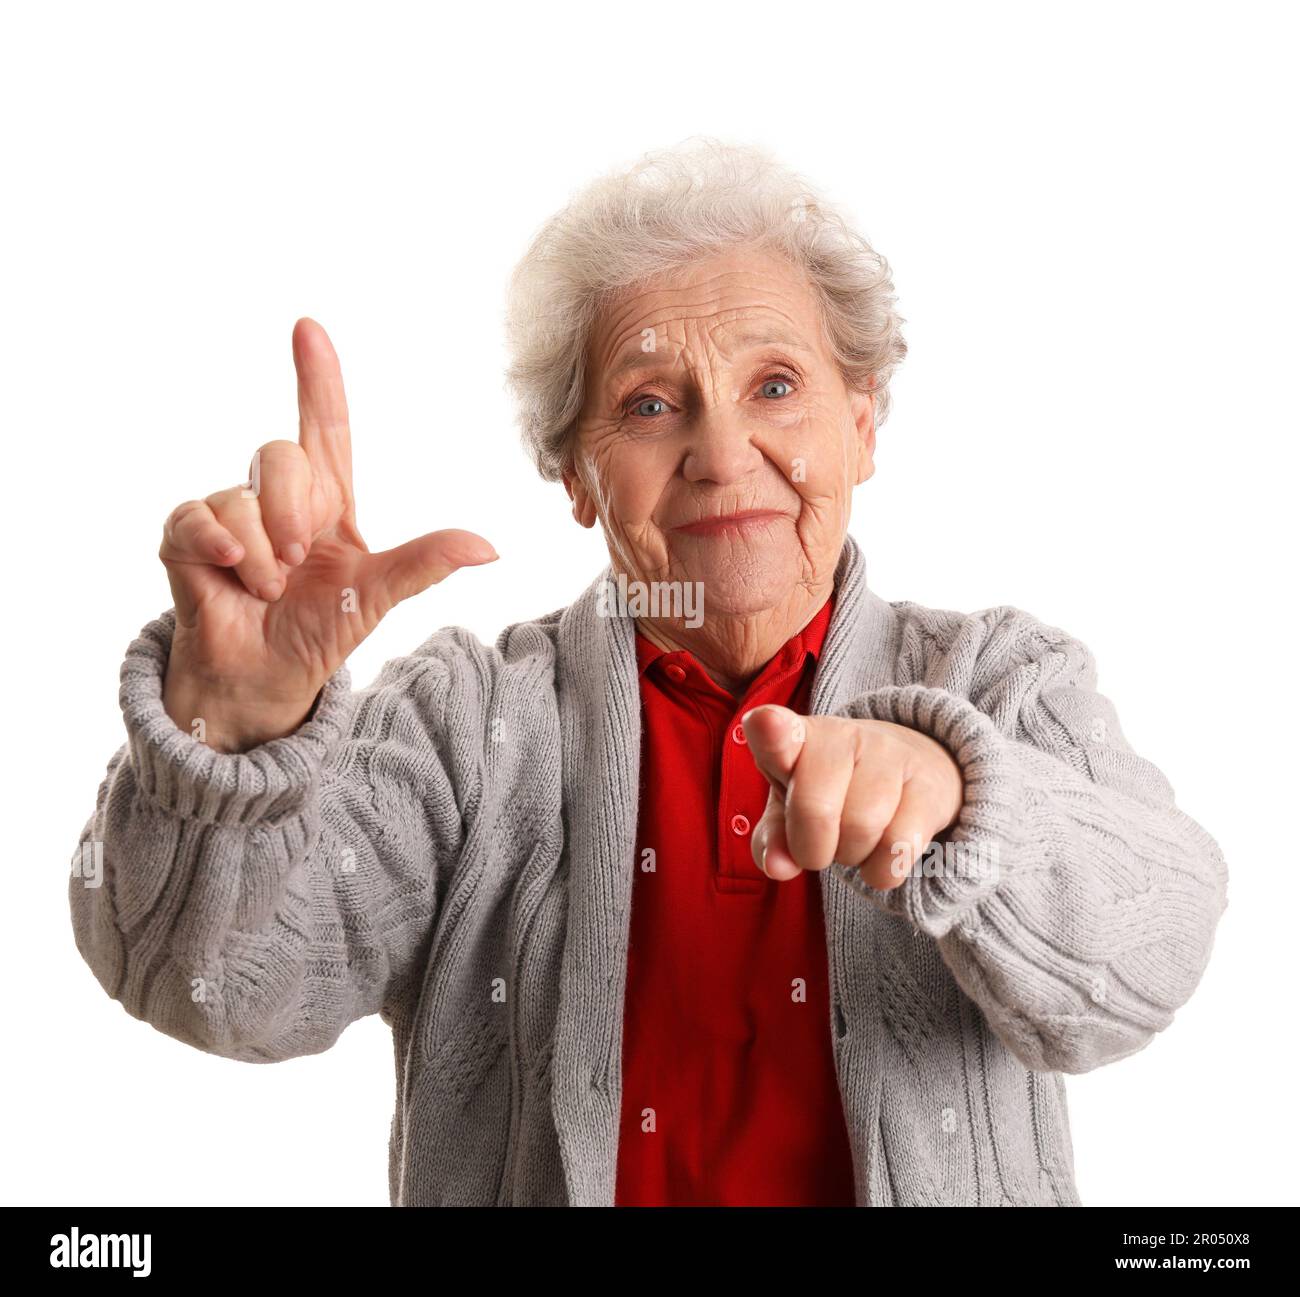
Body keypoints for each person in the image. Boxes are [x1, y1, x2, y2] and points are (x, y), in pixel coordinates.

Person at [69, 137, 1229, 1206]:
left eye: (774, 385)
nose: (723, 456)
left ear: (861, 426)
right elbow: (216, 988)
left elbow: (1158, 954)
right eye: (649, 404)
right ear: (575, 475)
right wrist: (234, 729)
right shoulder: (465, 726)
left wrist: (968, 803)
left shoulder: (1000, 677)